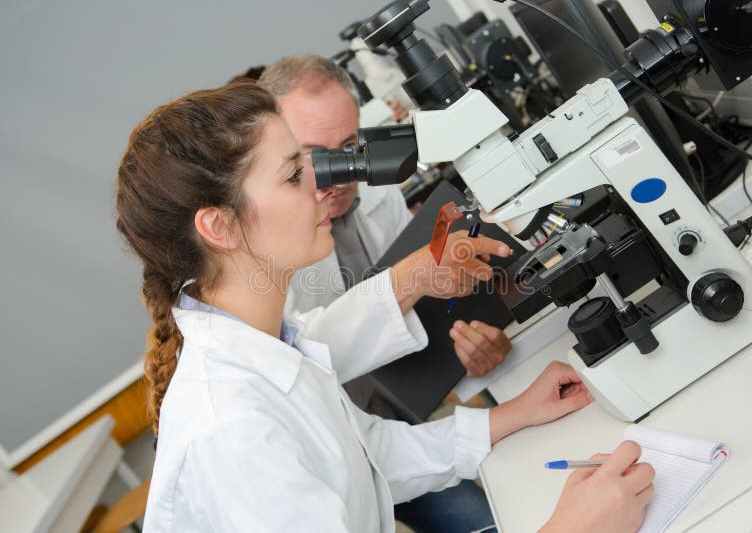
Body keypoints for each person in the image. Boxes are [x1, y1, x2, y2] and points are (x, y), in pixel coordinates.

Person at [116, 82, 654, 532]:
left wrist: (515, 414)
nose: (324, 185)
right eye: (292, 175)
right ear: (220, 226)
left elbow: (370, 459)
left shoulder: (275, 342)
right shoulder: (231, 431)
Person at [257, 54, 513, 531]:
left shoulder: (376, 190)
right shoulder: (265, 245)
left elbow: (434, 311)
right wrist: (411, 277)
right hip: (345, 448)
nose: (342, 170)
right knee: (482, 522)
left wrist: (475, 349)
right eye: (315, 154)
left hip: (415, 409)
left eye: (349, 146)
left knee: (520, 483)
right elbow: (309, 356)